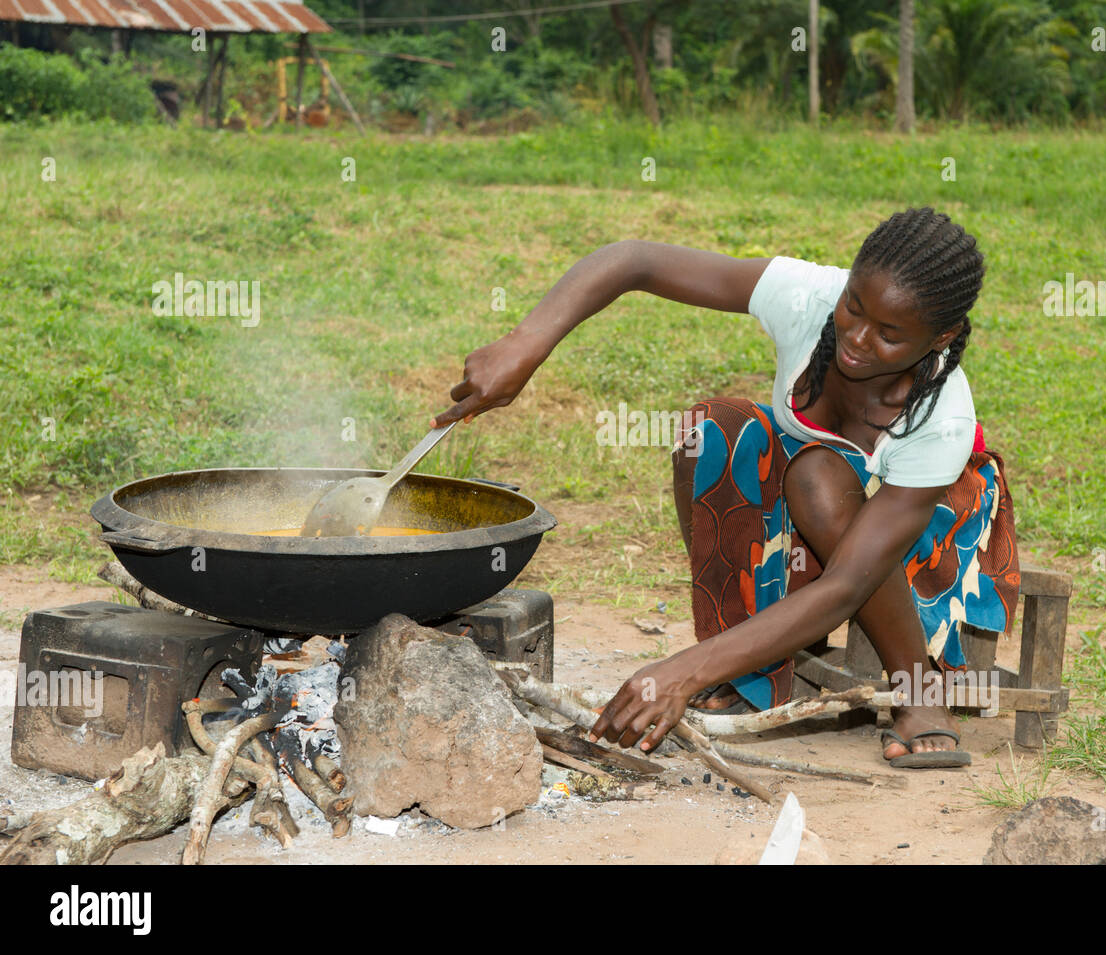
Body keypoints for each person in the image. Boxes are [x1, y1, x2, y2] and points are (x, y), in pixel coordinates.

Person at [434, 207, 1020, 767]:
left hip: (924, 522)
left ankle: (917, 689)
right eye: (854, 306)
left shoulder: (939, 420)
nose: (858, 338)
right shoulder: (805, 296)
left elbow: (846, 586)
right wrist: (525, 343)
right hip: (810, 482)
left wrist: (682, 670)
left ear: (942, 337)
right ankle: (750, 673)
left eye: (889, 333)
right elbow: (634, 260)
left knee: (818, 479)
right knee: (711, 431)